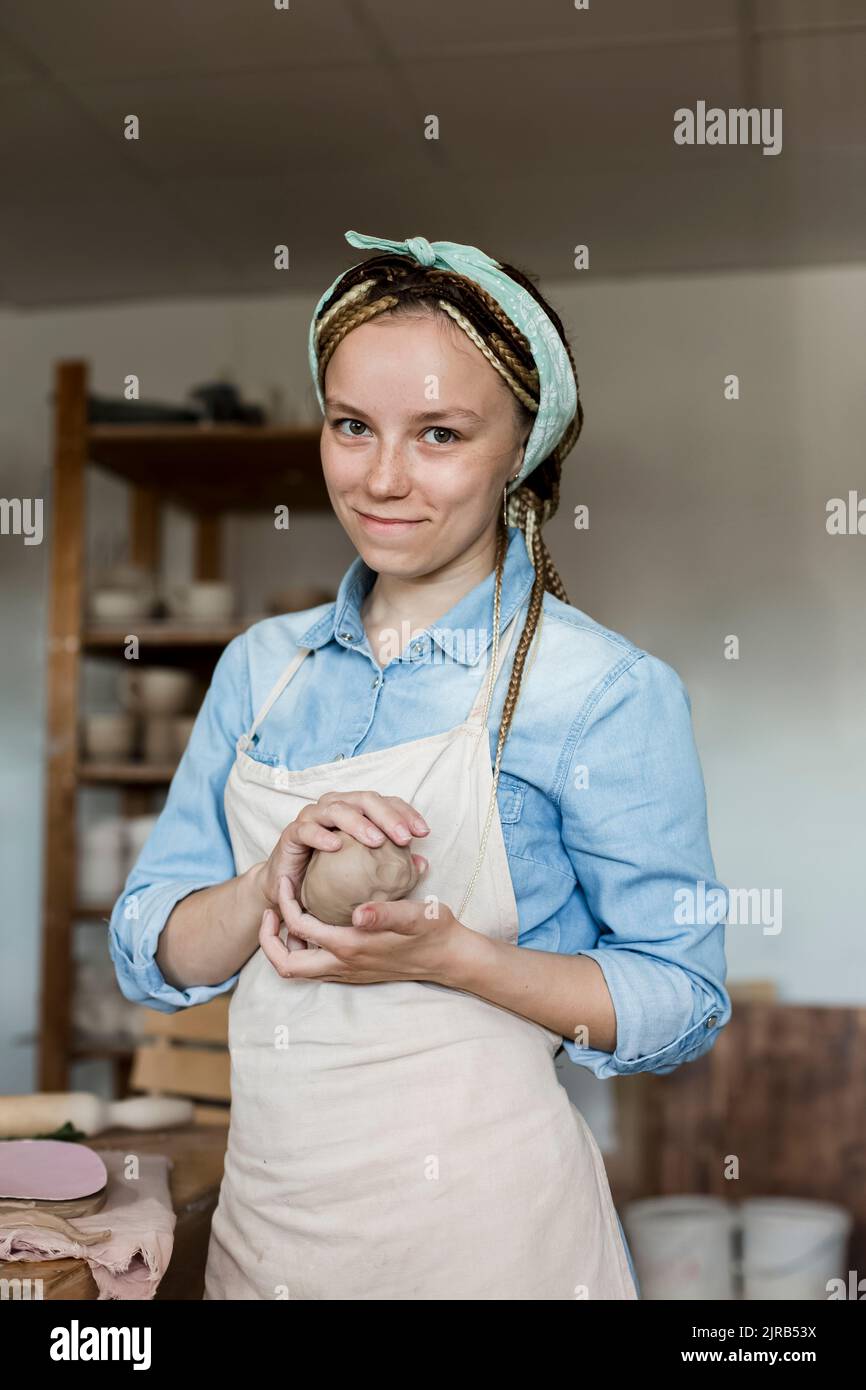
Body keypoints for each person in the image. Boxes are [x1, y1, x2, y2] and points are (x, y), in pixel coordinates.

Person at [109, 230, 731, 1300]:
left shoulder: (598, 691)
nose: (381, 478)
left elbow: (679, 995)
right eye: (352, 426)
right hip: (273, 1241)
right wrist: (270, 884)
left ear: (521, 450)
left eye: (438, 433)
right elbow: (150, 949)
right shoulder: (263, 667)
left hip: (490, 1243)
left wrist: (451, 957)